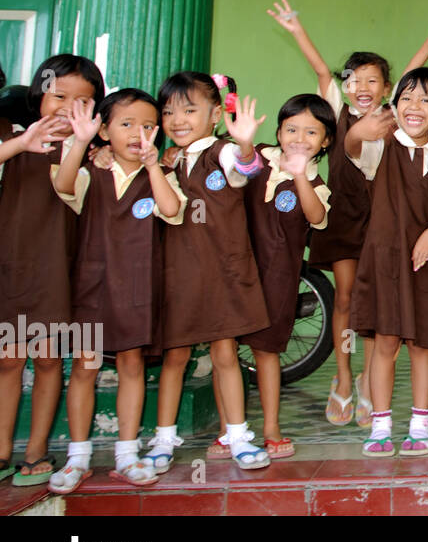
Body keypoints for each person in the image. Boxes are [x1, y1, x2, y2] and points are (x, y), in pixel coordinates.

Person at [267, 0, 428, 429]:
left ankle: (372, 384)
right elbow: (320, 72)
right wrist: (297, 29)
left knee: (374, 305)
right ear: (346, 85)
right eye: (354, 79)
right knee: (349, 299)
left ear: (387, 88)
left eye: (374, 80)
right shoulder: (334, 114)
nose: (363, 86)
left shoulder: (392, 118)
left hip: (380, 220)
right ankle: (344, 378)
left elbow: (413, 82)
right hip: (338, 217)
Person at [46, 90, 180, 493]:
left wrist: (154, 166)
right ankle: (78, 457)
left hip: (138, 289)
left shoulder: (158, 174)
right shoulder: (91, 171)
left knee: (132, 367)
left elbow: (172, 210)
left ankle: (127, 454)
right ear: (104, 130)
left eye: (147, 126)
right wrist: (84, 143)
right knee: (85, 369)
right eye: (126, 124)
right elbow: (64, 185)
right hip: (92, 288)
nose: (137, 133)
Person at [145, 74, 272, 472]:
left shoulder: (221, 152)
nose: (177, 119)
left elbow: (246, 168)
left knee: (225, 352)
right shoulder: (163, 159)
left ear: (215, 114)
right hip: (178, 274)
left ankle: (237, 436)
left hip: (222, 272)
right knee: (175, 356)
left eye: (189, 109)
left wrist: (246, 142)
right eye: (168, 111)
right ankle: (163, 440)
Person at [0, 54, 104, 487]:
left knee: (48, 361)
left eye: (83, 100)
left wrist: (82, 144)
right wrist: (22, 145)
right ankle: (2, 449)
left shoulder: (92, 149)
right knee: (7, 361)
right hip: (12, 266)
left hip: (61, 270)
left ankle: (37, 449)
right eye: (59, 96)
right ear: (38, 94)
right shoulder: (12, 137)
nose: (68, 107)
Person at [346, 67, 428, 458]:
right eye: (406, 98)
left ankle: (420, 423)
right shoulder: (380, 148)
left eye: (426, 99)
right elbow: (353, 146)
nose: (414, 106)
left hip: (425, 265)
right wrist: (357, 131)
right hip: (384, 262)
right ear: (395, 106)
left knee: (423, 345)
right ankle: (381, 422)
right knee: (385, 343)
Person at [236, 94, 334, 459]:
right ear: (277, 131)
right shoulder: (257, 157)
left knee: (266, 352)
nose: (299, 137)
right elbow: (240, 166)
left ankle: (271, 428)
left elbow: (315, 215)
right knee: (225, 354)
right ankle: (229, 430)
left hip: (277, 278)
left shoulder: (316, 182)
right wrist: (245, 141)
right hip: (234, 272)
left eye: (311, 132)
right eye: (291, 128)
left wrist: (298, 174)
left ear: (325, 141)